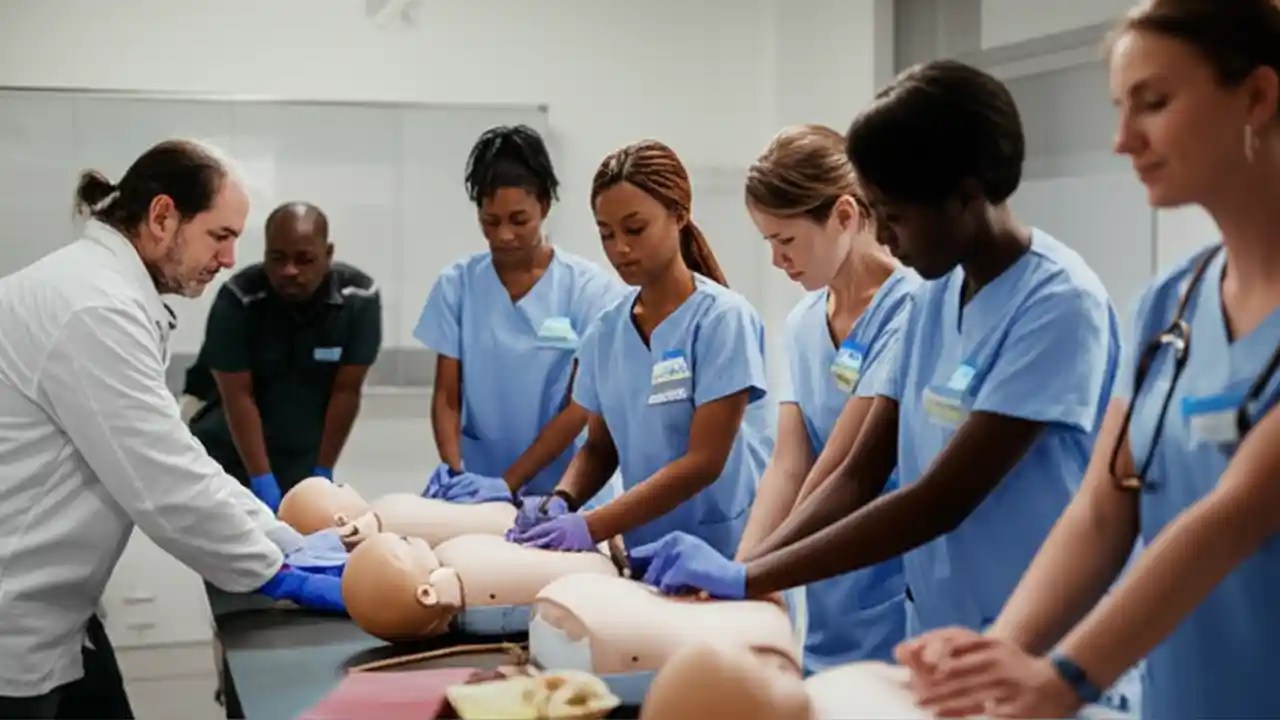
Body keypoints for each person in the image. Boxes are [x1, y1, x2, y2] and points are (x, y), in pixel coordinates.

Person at [631, 60, 1138, 711]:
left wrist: (749, 573)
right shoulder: (932, 296)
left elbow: (941, 498)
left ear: (966, 192)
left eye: (895, 215)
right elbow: (857, 472)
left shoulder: (1057, 303)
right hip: (947, 646)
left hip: (1046, 651)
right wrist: (748, 571)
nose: (886, 236)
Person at [897, 2, 1280, 719]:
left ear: (1258, 96)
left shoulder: (1063, 297)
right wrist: (998, 655)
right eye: (1118, 108)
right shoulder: (1171, 304)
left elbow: (1236, 514)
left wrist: (1065, 677)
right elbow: (1104, 513)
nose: (1122, 140)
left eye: (1154, 104)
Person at [0, 140, 347, 719]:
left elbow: (177, 454)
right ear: (163, 217)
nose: (232, 257)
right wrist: (276, 572)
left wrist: (281, 535)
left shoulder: (102, 292)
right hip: (15, 616)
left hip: (53, 613)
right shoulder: (93, 308)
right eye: (219, 235)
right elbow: (163, 485)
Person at [509, 139, 772, 560]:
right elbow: (599, 447)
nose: (619, 249)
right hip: (645, 551)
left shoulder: (722, 320)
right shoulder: (606, 331)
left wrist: (592, 526)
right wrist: (561, 499)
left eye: (635, 229)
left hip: (726, 551)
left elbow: (704, 461)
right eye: (606, 234)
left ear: (679, 215)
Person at [734, 124, 916, 674]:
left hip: (891, 587)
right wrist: (740, 572)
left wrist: (755, 572)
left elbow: (842, 466)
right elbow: (789, 463)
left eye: (786, 241)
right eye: (768, 244)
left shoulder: (909, 308)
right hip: (825, 592)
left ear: (843, 215)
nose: (777, 261)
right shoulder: (804, 321)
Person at [414, 125, 626, 512]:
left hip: (564, 491)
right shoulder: (457, 286)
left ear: (544, 206)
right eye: (490, 221)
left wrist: (508, 483)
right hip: (477, 489)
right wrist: (456, 471)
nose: (504, 235)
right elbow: (447, 395)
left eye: (518, 219)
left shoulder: (588, 290)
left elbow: (579, 408)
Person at [187, 201, 382, 511]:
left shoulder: (358, 299)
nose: (289, 270)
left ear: (328, 254)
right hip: (231, 445)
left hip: (302, 450)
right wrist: (261, 478)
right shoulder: (240, 299)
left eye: (304, 260)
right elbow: (239, 397)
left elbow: (346, 391)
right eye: (277, 258)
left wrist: (323, 471)